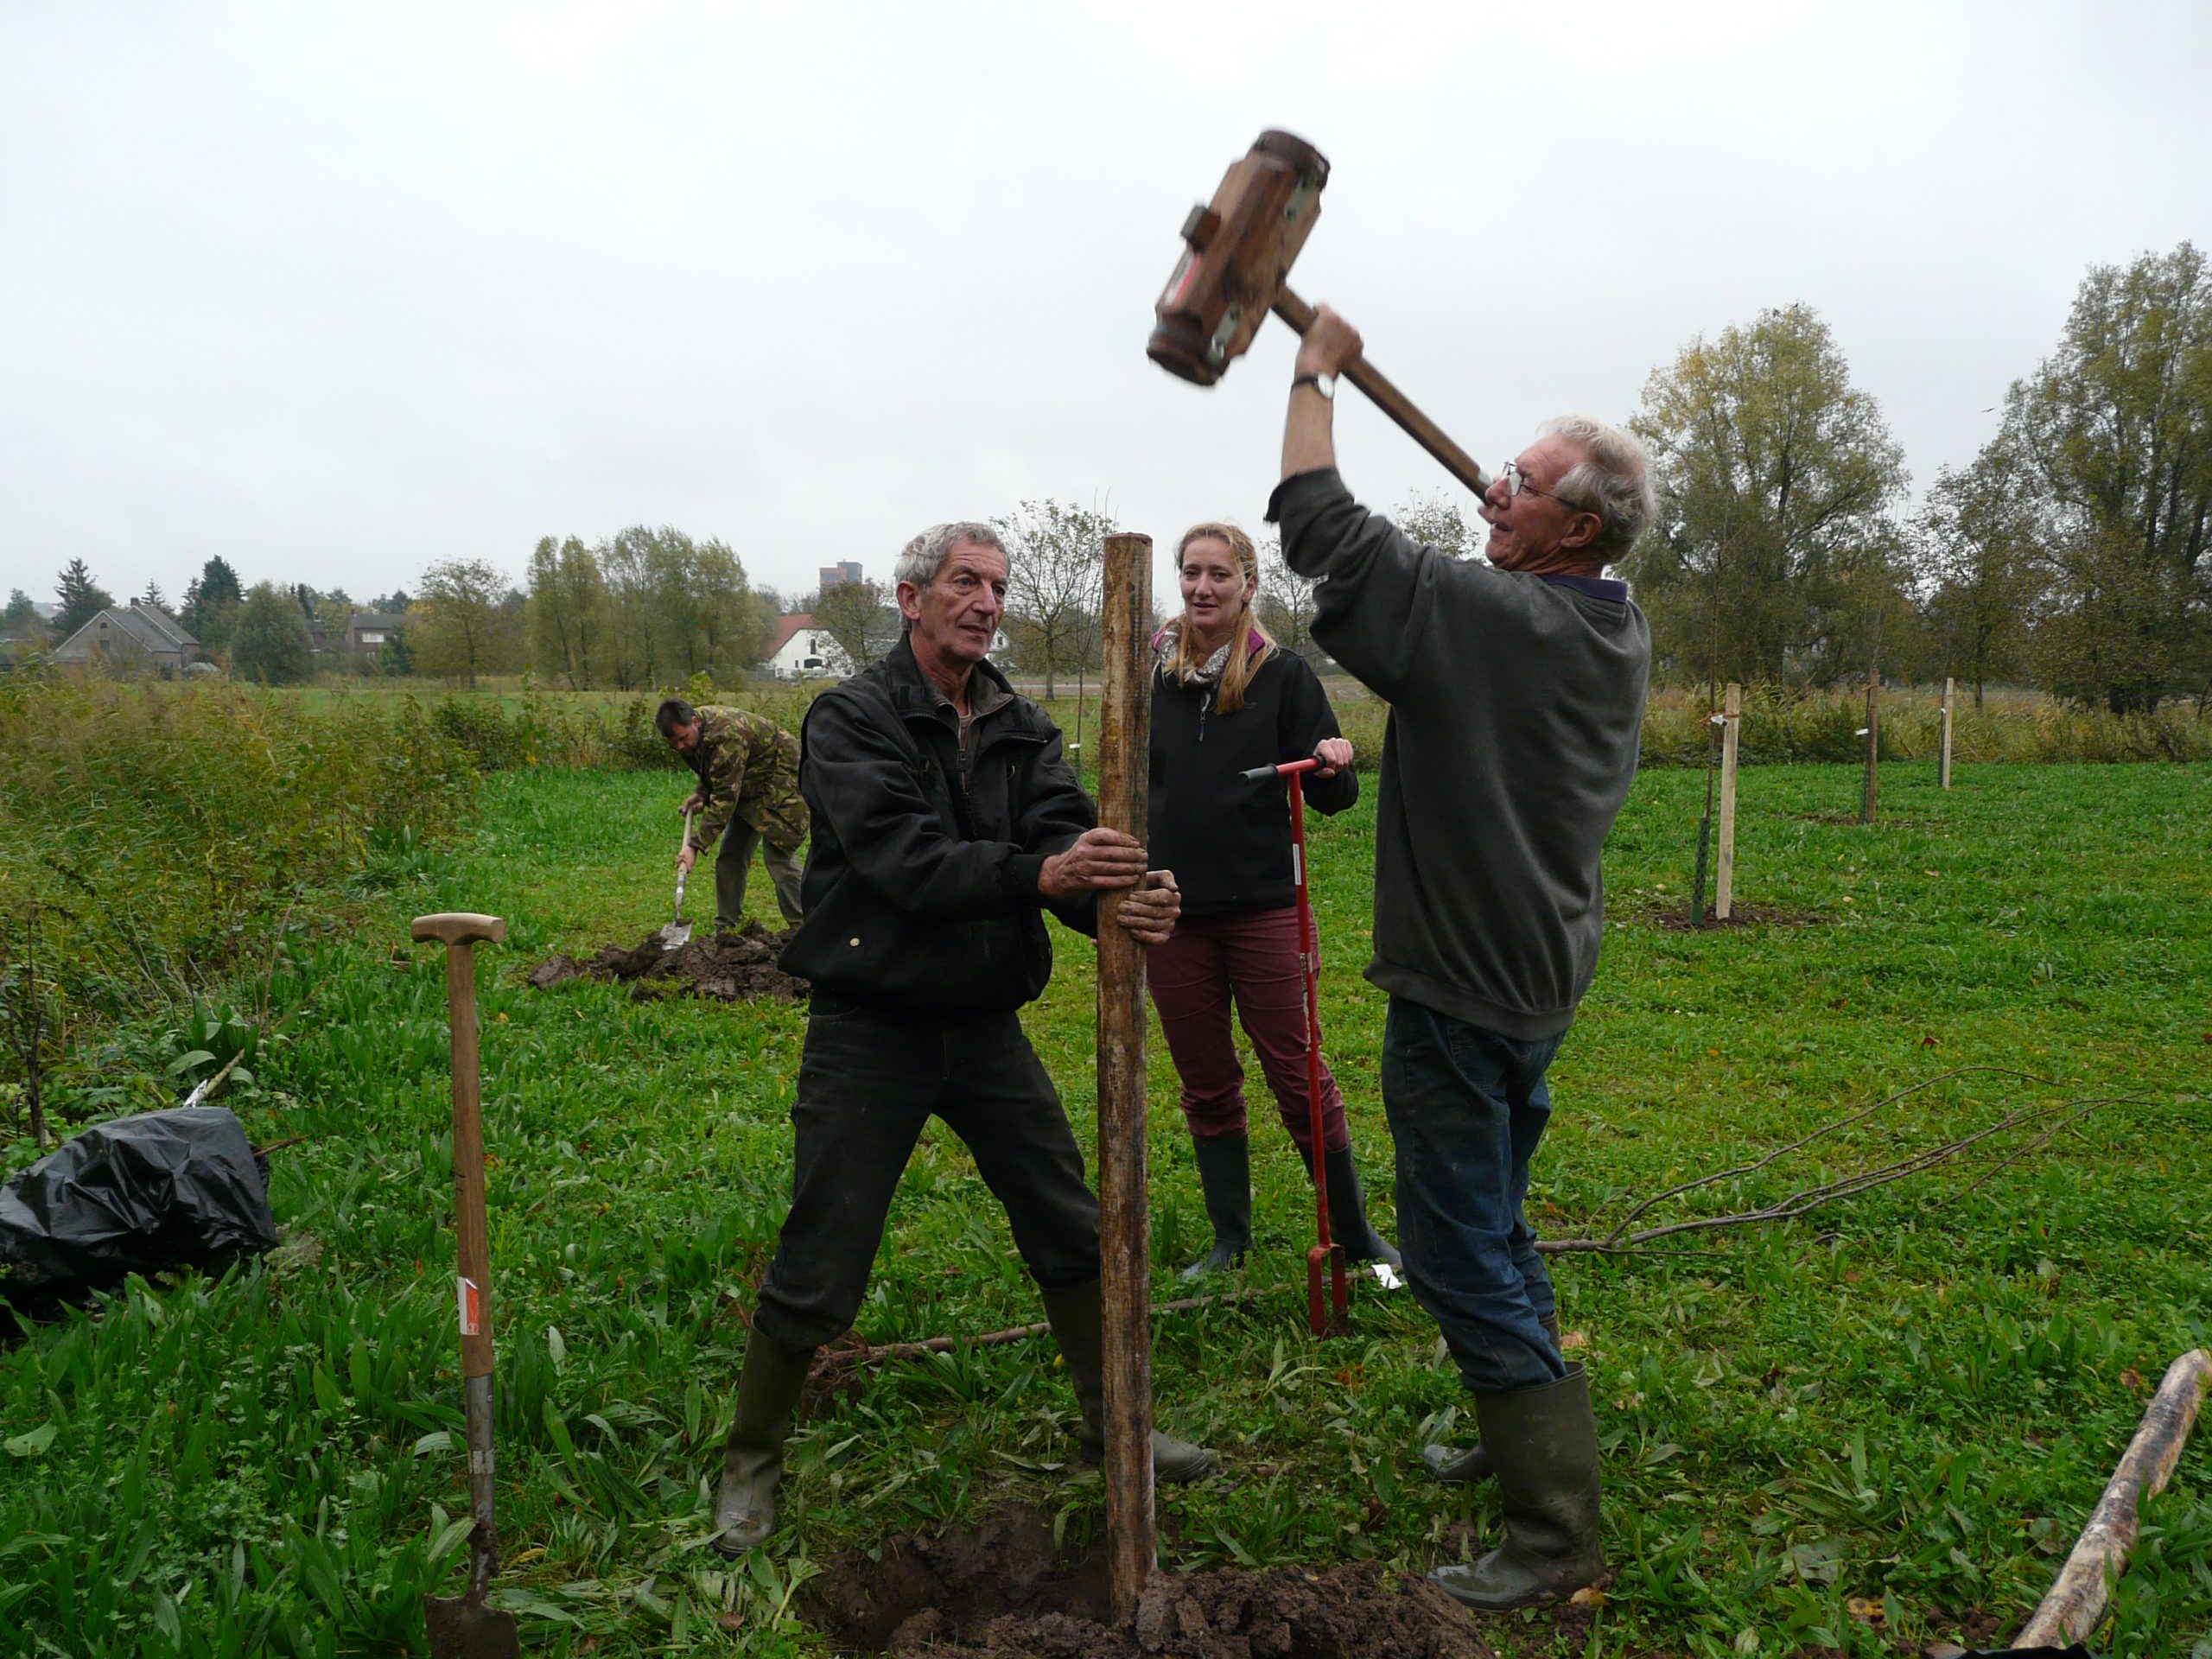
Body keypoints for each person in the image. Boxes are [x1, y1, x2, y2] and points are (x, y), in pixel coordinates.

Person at [705, 520, 1216, 1558]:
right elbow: (904, 858)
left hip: (982, 1021)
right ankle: (751, 1463)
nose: (984, 602)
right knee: (823, 1255)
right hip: (872, 1024)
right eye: (963, 583)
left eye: (997, 586)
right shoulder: (850, 718)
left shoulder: (1016, 722)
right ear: (909, 598)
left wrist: (1124, 890)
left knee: (1069, 1224)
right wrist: (1044, 879)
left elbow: (1065, 832)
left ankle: (1110, 1423)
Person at [1268, 308, 1656, 1611]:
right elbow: (1419, 593)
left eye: (1527, 487)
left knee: (1448, 1244)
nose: (1499, 490)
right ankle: (1514, 1433)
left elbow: (1326, 531)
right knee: (1493, 1216)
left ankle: (1552, 1537)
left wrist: (1315, 376)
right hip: (1537, 971)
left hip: (1466, 988)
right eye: (1503, 467)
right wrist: (1499, 525)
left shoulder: (1519, 625)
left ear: (1579, 532)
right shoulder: (1605, 622)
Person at [1146, 520, 1401, 1281]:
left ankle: (1355, 1234)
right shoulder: (1148, 673)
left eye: (1219, 574)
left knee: (1297, 1071)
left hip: (1262, 909)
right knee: (1206, 1081)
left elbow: (1336, 796)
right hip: (1173, 915)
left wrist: (1332, 764)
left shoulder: (1282, 675)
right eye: (1192, 573)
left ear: (1249, 586)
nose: (1202, 587)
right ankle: (1230, 1240)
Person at [658, 701, 808, 931]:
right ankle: (726, 927)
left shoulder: (727, 734)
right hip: (747, 784)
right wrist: (701, 793)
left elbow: (726, 799)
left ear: (695, 722)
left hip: (781, 779)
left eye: (683, 738)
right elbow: (715, 770)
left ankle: (805, 927)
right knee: (731, 854)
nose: (679, 746)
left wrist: (694, 846)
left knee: (779, 855)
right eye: (674, 742)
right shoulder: (691, 737)